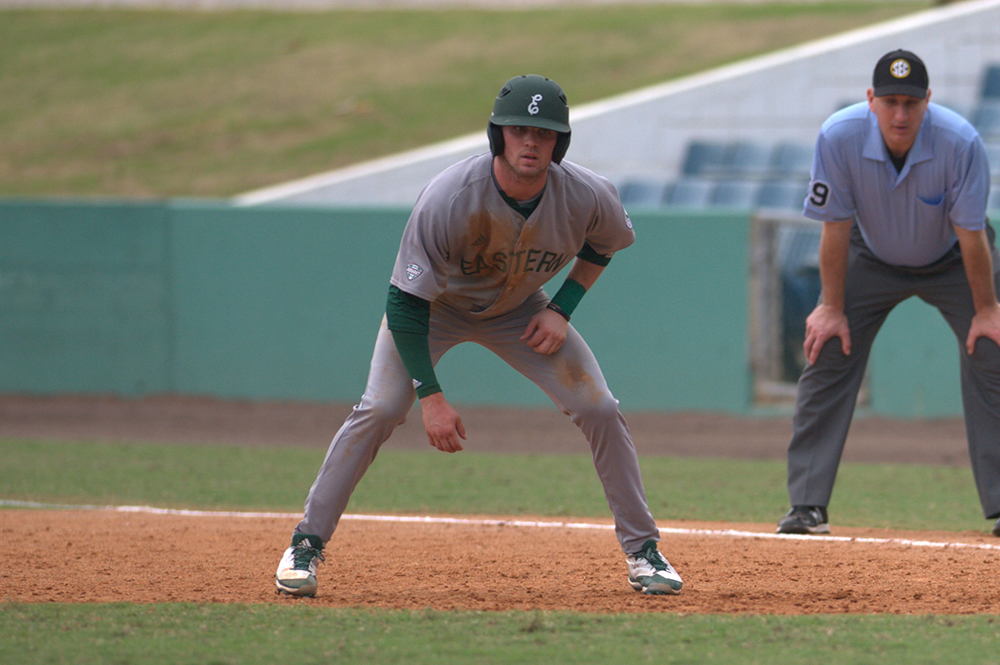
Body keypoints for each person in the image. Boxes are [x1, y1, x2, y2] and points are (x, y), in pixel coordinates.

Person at [274, 74, 683, 597]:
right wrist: (430, 396)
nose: (531, 142)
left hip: (520, 310)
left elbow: (606, 243)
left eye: (544, 132)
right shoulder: (450, 196)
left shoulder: (587, 194)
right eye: (519, 130)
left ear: (560, 142)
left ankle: (644, 551)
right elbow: (404, 302)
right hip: (434, 310)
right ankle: (305, 543)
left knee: (599, 407)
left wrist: (562, 308)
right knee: (380, 408)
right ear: (498, 135)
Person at [777, 50, 1000, 537]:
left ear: (928, 101)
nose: (901, 114)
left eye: (911, 103)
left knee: (993, 349)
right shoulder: (838, 136)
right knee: (828, 346)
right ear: (871, 99)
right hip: (871, 254)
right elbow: (835, 228)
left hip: (954, 257)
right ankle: (807, 505)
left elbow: (972, 236)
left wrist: (987, 311)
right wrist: (831, 306)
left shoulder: (960, 141)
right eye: (891, 102)